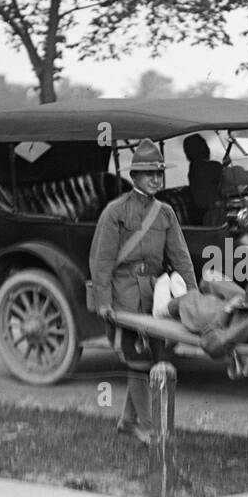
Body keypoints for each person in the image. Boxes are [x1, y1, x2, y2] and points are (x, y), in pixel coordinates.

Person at [90, 140, 197, 444]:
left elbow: (181, 257)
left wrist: (192, 294)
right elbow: (102, 260)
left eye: (158, 174)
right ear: (134, 176)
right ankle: (150, 430)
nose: (154, 179)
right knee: (137, 360)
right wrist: (104, 302)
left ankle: (127, 421)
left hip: (155, 297)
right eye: (148, 173)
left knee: (150, 359)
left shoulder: (165, 213)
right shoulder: (116, 212)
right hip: (123, 296)